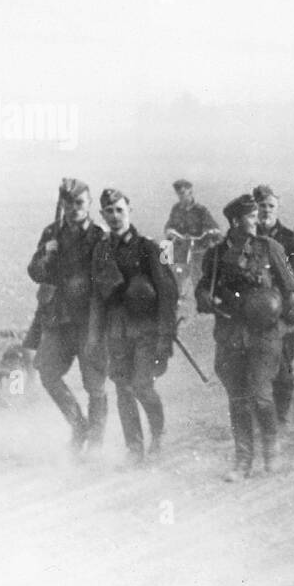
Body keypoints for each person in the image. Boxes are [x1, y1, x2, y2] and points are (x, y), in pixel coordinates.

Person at [197, 194, 294, 479]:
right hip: (231, 331)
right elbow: (203, 287)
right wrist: (205, 297)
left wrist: (291, 307)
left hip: (265, 333)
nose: (257, 221)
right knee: (238, 399)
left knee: (259, 395)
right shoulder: (216, 255)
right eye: (251, 216)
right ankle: (243, 460)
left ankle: (271, 449)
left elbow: (290, 287)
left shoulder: (270, 248)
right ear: (235, 221)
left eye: (257, 215)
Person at [91, 188, 179, 463]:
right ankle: (134, 448)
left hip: (146, 330)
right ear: (102, 214)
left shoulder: (149, 247)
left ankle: (158, 431)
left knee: (142, 385)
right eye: (109, 211)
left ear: (130, 211)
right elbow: (97, 297)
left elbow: (168, 293)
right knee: (122, 389)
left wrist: (166, 337)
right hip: (117, 331)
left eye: (120, 210)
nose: (115, 216)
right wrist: (94, 337)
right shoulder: (102, 250)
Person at [26, 178, 109, 455]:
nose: (74, 208)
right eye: (68, 203)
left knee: (94, 383)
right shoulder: (52, 233)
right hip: (59, 318)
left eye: (79, 203)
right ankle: (79, 426)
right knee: (47, 371)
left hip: (90, 320)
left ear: (89, 205)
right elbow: (35, 272)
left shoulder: (100, 236)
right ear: (62, 204)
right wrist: (47, 256)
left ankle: (95, 441)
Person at [253, 185, 294, 424]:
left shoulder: (288, 238)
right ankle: (261, 414)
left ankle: (282, 415)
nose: (266, 210)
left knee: (283, 364)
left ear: (277, 209)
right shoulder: (247, 237)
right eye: (261, 206)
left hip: (284, 310)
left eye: (270, 206)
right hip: (255, 311)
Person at [163, 179, 222, 297]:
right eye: (178, 194)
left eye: (183, 193)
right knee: (177, 272)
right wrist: (169, 231)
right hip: (182, 246)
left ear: (190, 192)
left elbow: (212, 226)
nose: (180, 196)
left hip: (198, 247)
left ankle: (201, 297)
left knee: (198, 273)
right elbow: (169, 225)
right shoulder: (176, 209)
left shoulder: (200, 210)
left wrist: (210, 232)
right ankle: (177, 296)